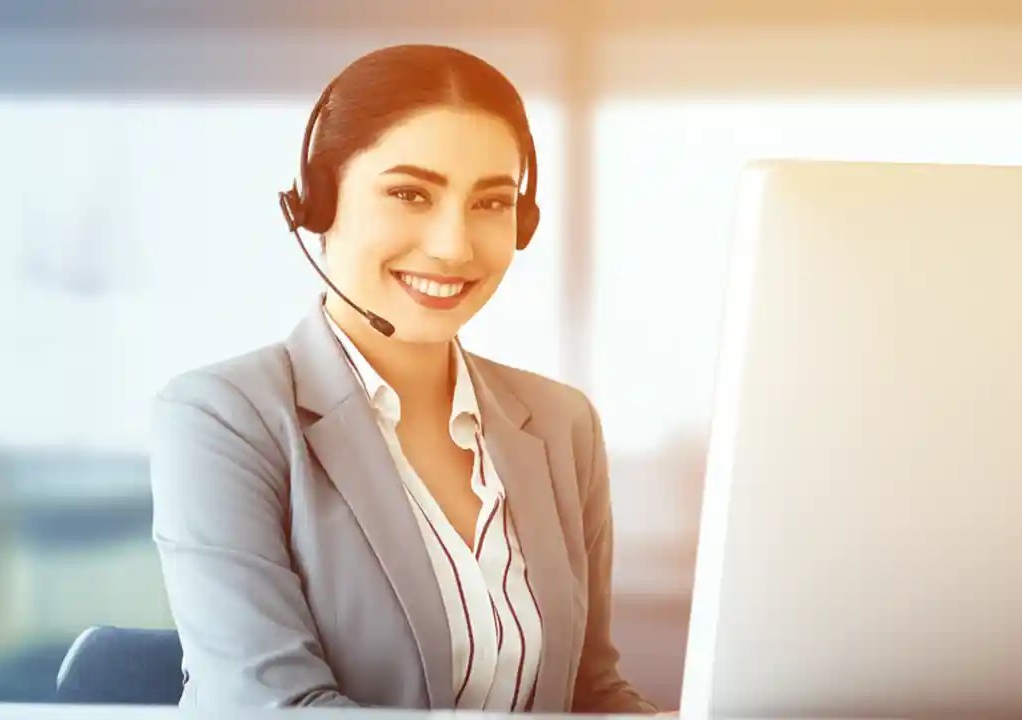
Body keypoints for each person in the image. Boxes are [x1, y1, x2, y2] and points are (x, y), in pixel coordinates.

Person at [149, 43, 671, 715]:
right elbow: (272, 707)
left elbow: (588, 693)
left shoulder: (562, 423)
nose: (454, 245)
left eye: (491, 203)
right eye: (409, 194)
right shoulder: (224, 418)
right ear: (320, 203)